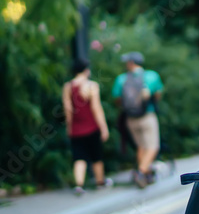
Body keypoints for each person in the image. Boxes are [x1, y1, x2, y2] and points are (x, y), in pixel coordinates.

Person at [113, 51, 164, 188]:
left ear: (131, 63)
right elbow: (158, 95)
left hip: (130, 118)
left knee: (141, 146)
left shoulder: (121, 79)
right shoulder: (151, 76)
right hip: (147, 116)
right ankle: (141, 173)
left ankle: (146, 174)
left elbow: (117, 99)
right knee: (152, 147)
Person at [62, 59, 112, 195]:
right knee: (96, 155)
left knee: (79, 157)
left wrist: (69, 127)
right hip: (92, 127)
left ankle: (79, 185)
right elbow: (96, 108)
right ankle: (100, 182)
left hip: (76, 129)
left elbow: (67, 109)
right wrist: (103, 127)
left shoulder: (68, 87)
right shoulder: (92, 86)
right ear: (86, 70)